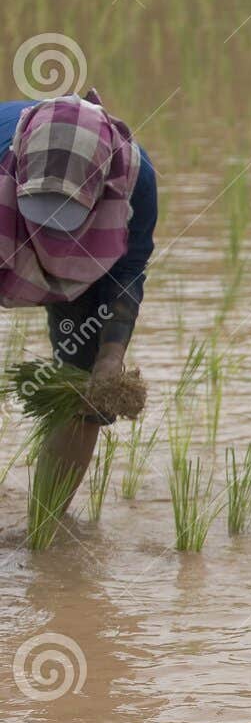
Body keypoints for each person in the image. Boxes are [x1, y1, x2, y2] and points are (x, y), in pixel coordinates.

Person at [0, 92, 156, 504]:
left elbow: (126, 273)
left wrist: (110, 358)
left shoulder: (135, 180)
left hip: (91, 266)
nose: (53, 233)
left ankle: (47, 527)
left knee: (83, 391)